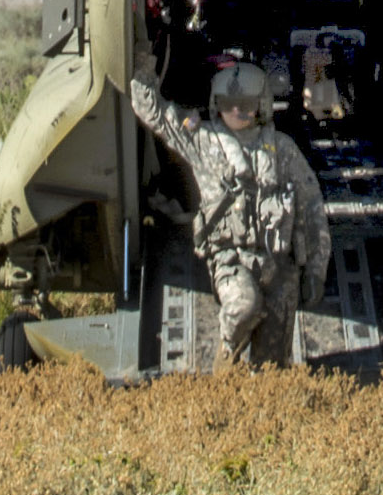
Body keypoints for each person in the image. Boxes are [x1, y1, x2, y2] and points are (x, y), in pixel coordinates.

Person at [125, 55, 332, 372]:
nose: (237, 110)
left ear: (261, 103)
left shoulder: (283, 150)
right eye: (228, 103)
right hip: (230, 260)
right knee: (243, 306)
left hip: (279, 266)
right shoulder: (202, 140)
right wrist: (142, 65)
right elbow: (157, 116)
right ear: (215, 103)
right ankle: (227, 366)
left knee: (273, 363)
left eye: (246, 102)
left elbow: (312, 207)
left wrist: (316, 269)